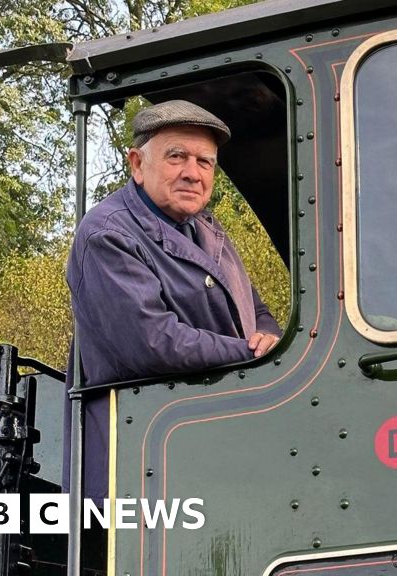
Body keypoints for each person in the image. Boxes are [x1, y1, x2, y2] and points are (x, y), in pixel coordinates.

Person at [65, 100, 282, 501]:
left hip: (214, 444)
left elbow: (258, 310)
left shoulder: (207, 229)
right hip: (143, 459)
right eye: (177, 156)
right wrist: (256, 354)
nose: (192, 173)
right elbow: (153, 342)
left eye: (205, 162)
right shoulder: (107, 235)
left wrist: (269, 336)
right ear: (136, 163)